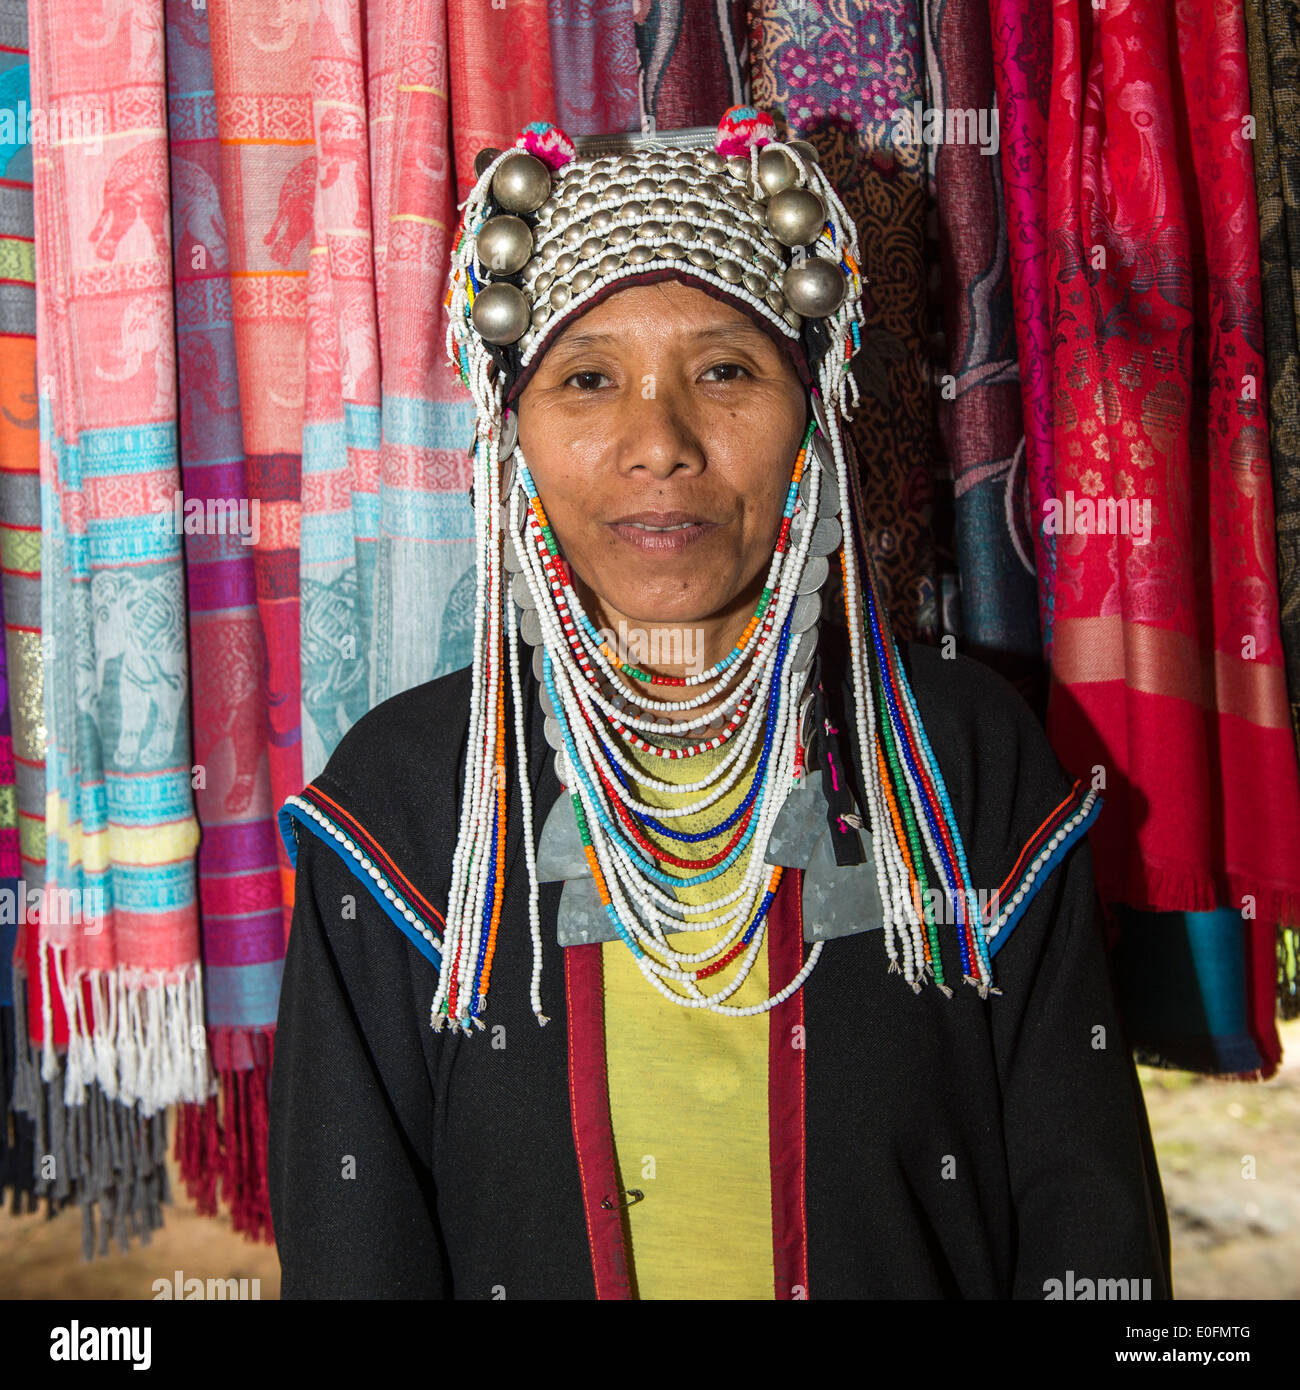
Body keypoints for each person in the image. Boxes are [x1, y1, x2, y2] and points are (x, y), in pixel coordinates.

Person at [268, 109, 1171, 1300]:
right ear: (514, 433)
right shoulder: (407, 802)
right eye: (587, 378)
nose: (660, 441)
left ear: (811, 420)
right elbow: (354, 1246)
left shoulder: (963, 766)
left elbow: (1084, 1215)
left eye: (724, 370)